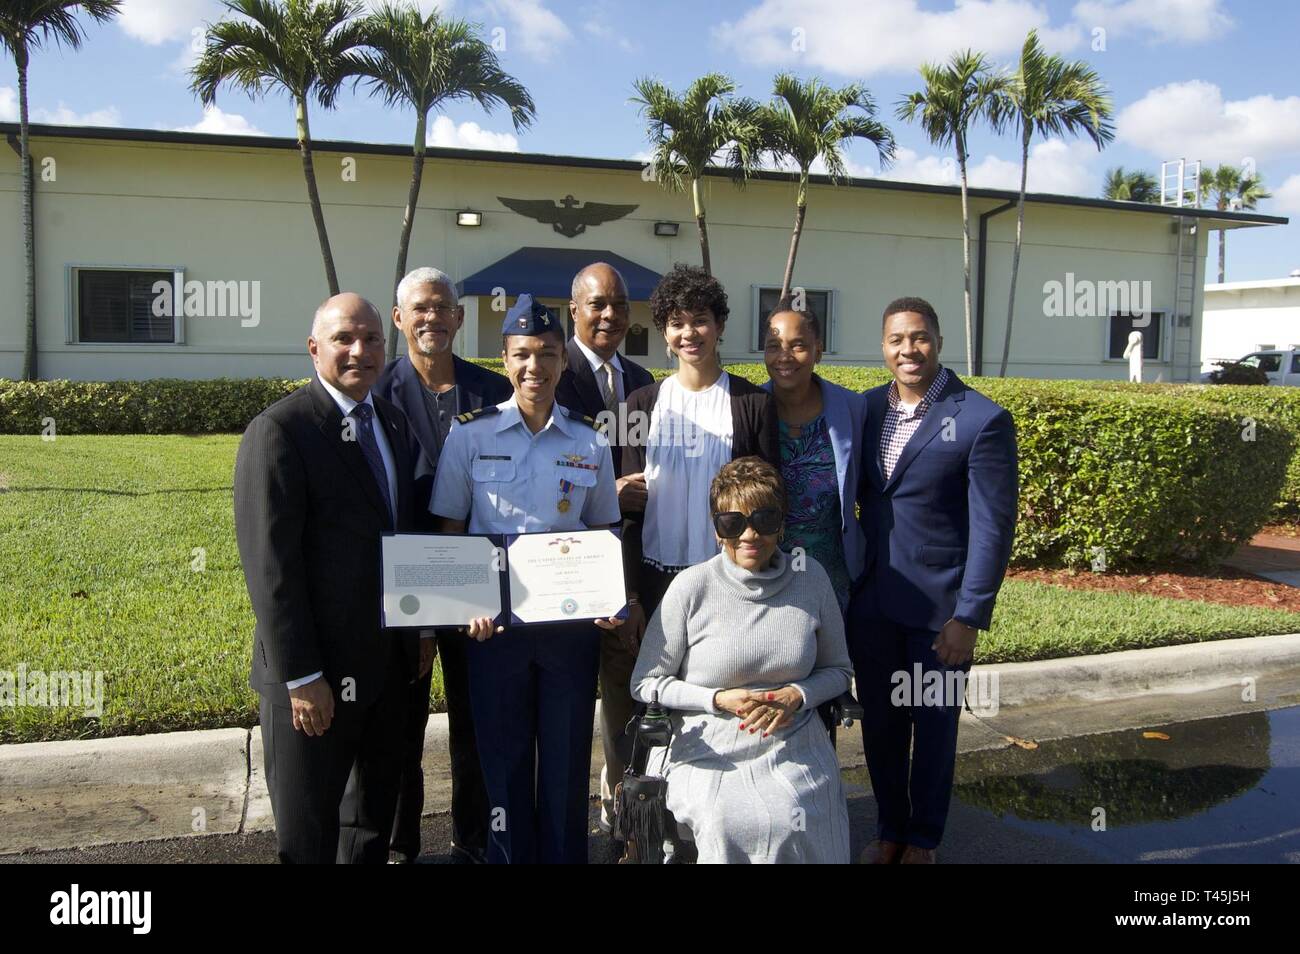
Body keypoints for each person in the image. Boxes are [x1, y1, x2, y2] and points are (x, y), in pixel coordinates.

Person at [233, 293, 424, 864]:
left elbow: (403, 538)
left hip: (386, 670)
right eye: (344, 339)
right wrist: (302, 676)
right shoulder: (280, 431)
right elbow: (272, 571)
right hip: (314, 681)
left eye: (370, 339)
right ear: (315, 348)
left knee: (368, 826)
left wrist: (419, 633)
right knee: (309, 834)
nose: (359, 351)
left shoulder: (391, 421)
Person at [430, 293, 621, 864]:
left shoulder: (589, 440)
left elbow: (603, 527)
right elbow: (450, 530)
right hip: (496, 631)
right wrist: (466, 603)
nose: (534, 366)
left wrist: (612, 597)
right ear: (504, 360)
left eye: (547, 354)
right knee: (504, 761)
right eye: (522, 355)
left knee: (565, 762)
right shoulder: (470, 436)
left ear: (564, 362)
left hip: (568, 629)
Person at [850, 296, 1018, 864]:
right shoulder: (868, 409)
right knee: (882, 728)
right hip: (873, 605)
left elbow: (993, 530)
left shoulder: (979, 418)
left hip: (940, 614)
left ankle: (923, 839)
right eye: (897, 340)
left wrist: (969, 616)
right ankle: (890, 828)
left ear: (938, 341)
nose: (908, 350)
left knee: (935, 730)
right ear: (883, 347)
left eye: (918, 338)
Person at [625, 457, 853, 864]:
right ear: (717, 530)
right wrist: (716, 699)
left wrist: (797, 694)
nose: (750, 534)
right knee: (725, 818)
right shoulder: (691, 587)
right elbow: (646, 682)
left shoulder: (810, 578)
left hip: (791, 734)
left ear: (781, 524)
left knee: (794, 814)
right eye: (733, 523)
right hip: (708, 737)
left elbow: (839, 670)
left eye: (764, 520)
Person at [366, 266, 512, 864]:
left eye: (443, 307)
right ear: (399, 318)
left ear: (458, 316)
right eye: (419, 308)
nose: (433, 318)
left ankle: (473, 839)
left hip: (478, 582)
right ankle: (402, 847)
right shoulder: (376, 394)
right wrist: (420, 616)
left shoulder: (492, 391)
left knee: (476, 722)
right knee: (403, 724)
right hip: (406, 587)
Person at [553, 262, 655, 837]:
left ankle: (624, 822)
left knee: (625, 699)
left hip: (627, 568)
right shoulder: (546, 370)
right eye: (597, 304)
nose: (610, 315)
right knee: (564, 706)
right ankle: (559, 829)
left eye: (619, 304)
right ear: (575, 310)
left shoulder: (643, 381)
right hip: (560, 570)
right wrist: (602, 492)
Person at [621, 264, 779, 634]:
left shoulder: (752, 402)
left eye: (700, 320)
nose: (689, 333)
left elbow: (768, 504)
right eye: (677, 322)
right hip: (655, 580)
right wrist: (631, 596)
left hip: (731, 580)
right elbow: (629, 509)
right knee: (658, 688)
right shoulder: (639, 405)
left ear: (720, 326)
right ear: (664, 330)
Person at [761, 304, 867, 611]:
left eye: (798, 346)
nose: (784, 356)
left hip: (831, 574)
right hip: (767, 573)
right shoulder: (751, 408)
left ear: (818, 351)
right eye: (773, 346)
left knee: (831, 657)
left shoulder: (851, 408)